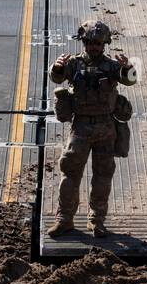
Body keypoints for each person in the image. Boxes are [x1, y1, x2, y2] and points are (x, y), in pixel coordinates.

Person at [48, 22, 135, 239]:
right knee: (70, 173)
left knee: (103, 175)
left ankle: (96, 220)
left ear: (104, 44)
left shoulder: (111, 66)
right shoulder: (74, 64)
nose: (93, 47)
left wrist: (127, 68)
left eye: (97, 43)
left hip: (106, 127)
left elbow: (131, 80)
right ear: (83, 43)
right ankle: (64, 219)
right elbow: (56, 77)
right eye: (89, 43)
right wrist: (57, 67)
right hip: (81, 127)